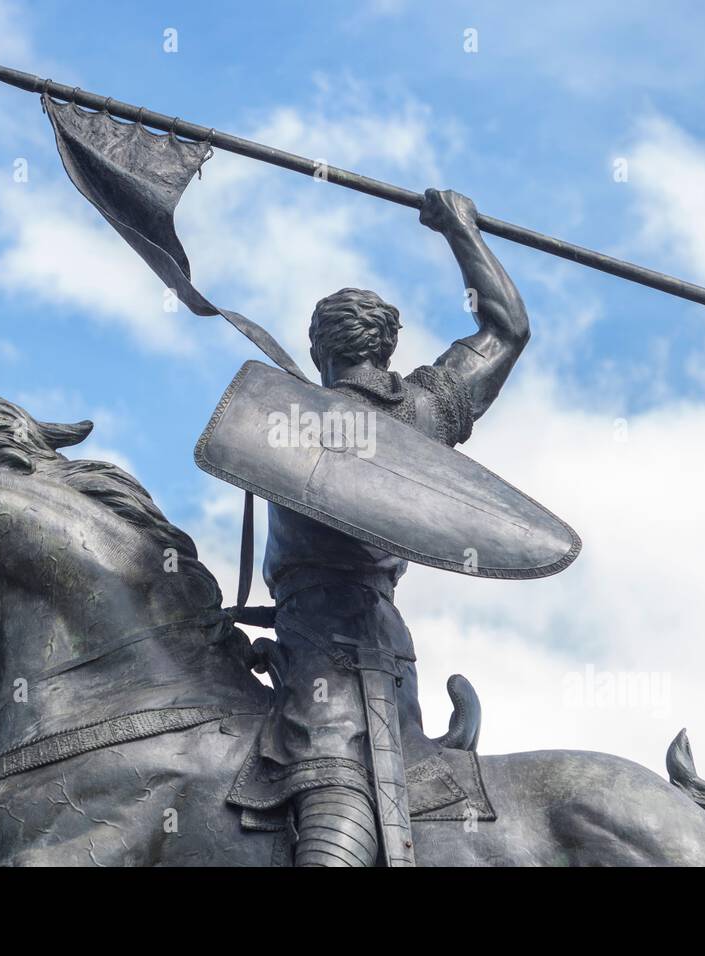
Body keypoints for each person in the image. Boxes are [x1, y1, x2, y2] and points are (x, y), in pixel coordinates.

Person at [229, 188, 531, 866]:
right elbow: (508, 330)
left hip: (337, 666)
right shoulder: (426, 411)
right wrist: (462, 231)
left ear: (317, 352)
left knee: (333, 835)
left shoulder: (290, 425)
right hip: (370, 648)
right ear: (388, 346)